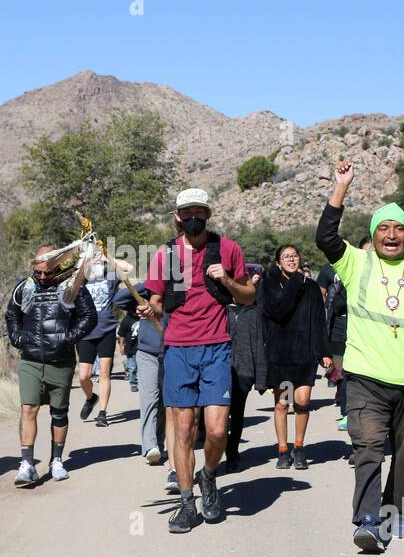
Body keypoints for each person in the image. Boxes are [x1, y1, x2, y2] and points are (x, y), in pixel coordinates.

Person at [315, 162, 404, 551]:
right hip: (366, 380)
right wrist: (340, 187)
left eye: (398, 229)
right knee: (368, 447)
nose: (391, 235)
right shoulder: (356, 263)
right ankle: (366, 519)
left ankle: (392, 511)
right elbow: (326, 237)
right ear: (374, 235)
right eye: (383, 228)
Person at [136, 188, 254, 533]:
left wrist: (227, 280)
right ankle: (188, 503)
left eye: (199, 211)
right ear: (177, 216)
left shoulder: (228, 249)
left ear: (208, 214)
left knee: (217, 429)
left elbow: (249, 296)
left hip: (217, 347)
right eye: (186, 212)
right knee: (184, 429)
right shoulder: (166, 255)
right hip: (178, 350)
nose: (193, 218)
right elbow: (157, 301)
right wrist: (149, 309)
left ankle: (209, 474)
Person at [5, 245, 97, 486]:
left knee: (59, 412)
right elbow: (12, 315)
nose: (43, 276)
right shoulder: (23, 287)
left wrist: (69, 337)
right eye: (39, 272)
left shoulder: (71, 287)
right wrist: (18, 338)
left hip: (61, 361)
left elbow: (89, 316)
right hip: (31, 361)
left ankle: (57, 460)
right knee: (28, 409)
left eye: (49, 272)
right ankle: (26, 464)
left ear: (59, 266)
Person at [259, 244, 328, 469]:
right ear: (279, 263)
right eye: (286, 257)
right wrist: (296, 282)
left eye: (294, 255)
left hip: (304, 354)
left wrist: (323, 352)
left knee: (303, 402)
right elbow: (279, 311)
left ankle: (299, 447)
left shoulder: (311, 287)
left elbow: (319, 321)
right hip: (281, 355)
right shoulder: (270, 284)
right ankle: (282, 450)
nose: (291, 259)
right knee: (282, 403)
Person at [114, 283, 170, 474]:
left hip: (172, 350)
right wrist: (147, 287)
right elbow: (119, 299)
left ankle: (159, 444)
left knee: (164, 402)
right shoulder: (145, 293)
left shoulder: (178, 289)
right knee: (149, 398)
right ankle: (149, 446)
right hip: (147, 353)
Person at [226, 264, 267, 473]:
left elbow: (259, 345)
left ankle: (231, 453)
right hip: (220, 372)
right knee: (219, 417)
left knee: (237, 414)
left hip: (244, 372)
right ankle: (219, 451)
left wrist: (260, 378)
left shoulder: (254, 314)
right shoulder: (221, 311)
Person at [76, 258, 120, 427]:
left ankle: (103, 413)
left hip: (107, 329)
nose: (96, 261)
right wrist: (83, 264)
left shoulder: (111, 276)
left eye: (98, 258)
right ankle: (90, 398)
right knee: (83, 375)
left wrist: (108, 258)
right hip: (86, 331)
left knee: (104, 372)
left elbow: (128, 267)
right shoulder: (82, 277)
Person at [316, 260, 349, 432]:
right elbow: (320, 294)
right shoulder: (328, 269)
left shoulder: (358, 268)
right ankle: (346, 412)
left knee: (351, 373)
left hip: (358, 328)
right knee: (340, 371)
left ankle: (349, 407)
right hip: (336, 327)